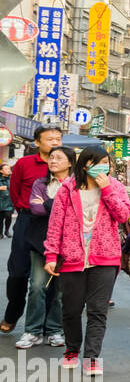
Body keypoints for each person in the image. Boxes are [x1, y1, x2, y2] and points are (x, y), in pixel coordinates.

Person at [44, 146, 130, 376]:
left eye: (106, 162)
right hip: (72, 257)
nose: (105, 166)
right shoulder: (67, 188)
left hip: (105, 257)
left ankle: (92, 357)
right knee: (71, 309)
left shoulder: (116, 187)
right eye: (98, 162)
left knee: (97, 311)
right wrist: (51, 255)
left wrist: (107, 189)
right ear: (85, 165)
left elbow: (123, 215)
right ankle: (72, 349)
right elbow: (55, 224)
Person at [2, 125, 62, 333]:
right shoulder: (25, 163)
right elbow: (15, 190)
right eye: (50, 139)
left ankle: (46, 322)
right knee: (18, 272)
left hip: (56, 223)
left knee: (51, 275)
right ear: (37, 142)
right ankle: (12, 314)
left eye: (58, 138)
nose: (55, 142)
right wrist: (24, 209)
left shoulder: (66, 164)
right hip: (28, 220)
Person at [14, 146, 74, 349]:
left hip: (68, 245)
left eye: (59, 158)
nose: (53, 161)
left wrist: (48, 203)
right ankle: (32, 331)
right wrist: (57, 205)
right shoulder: (40, 183)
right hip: (41, 242)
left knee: (59, 291)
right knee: (37, 287)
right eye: (51, 157)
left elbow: (73, 212)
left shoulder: (76, 185)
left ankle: (55, 330)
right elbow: (35, 208)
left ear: (70, 163)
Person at [0, 163, 12, 237]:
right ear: (1, 171)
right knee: (0, 219)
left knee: (8, 216)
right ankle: (0, 233)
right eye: (6, 169)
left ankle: (7, 231)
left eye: (9, 169)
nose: (8, 170)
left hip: (9, 202)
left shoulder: (13, 178)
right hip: (0, 201)